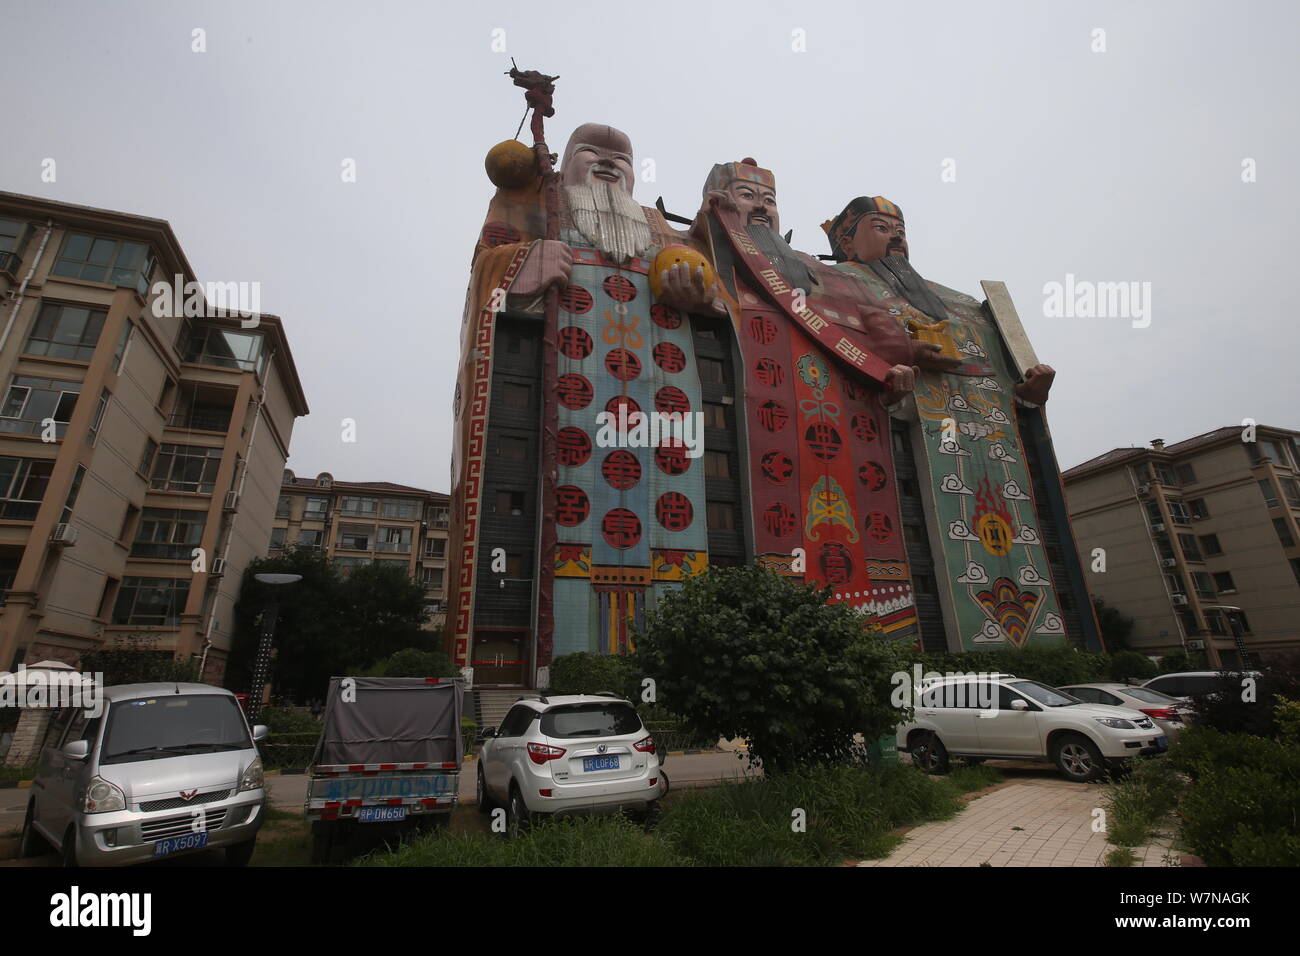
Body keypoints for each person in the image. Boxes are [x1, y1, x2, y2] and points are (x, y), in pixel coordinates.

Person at [823, 197, 1080, 648]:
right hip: (911, 423)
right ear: (846, 241)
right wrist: (893, 359)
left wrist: (1030, 394)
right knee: (936, 526)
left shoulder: (962, 303)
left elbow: (1009, 379)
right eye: (880, 226)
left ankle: (1033, 650)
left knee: (1014, 531)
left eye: (900, 227)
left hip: (989, 430)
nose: (896, 235)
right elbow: (829, 337)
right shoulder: (834, 282)